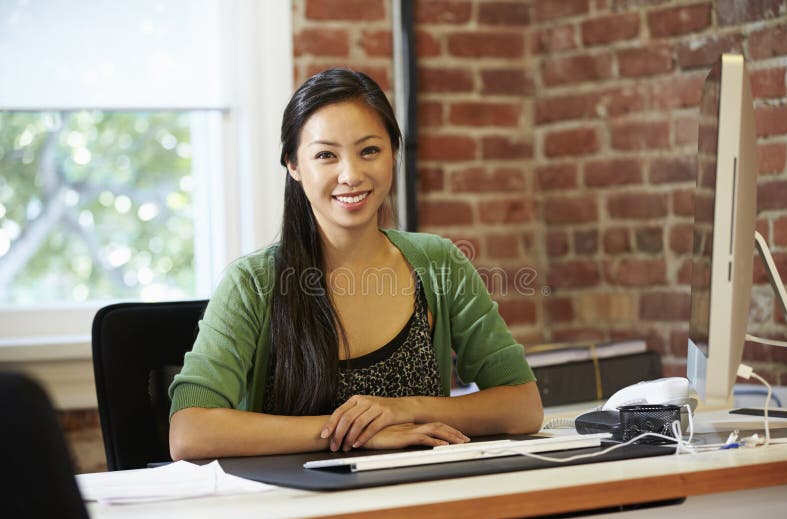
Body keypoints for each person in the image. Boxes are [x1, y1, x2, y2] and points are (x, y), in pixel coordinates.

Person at [168, 68, 543, 460]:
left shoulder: (438, 263)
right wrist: (355, 433)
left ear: (393, 154)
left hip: (422, 497)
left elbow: (522, 406)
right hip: (297, 508)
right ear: (293, 165)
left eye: (369, 151)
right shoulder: (253, 283)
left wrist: (404, 409)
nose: (351, 175)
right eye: (326, 155)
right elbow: (190, 431)